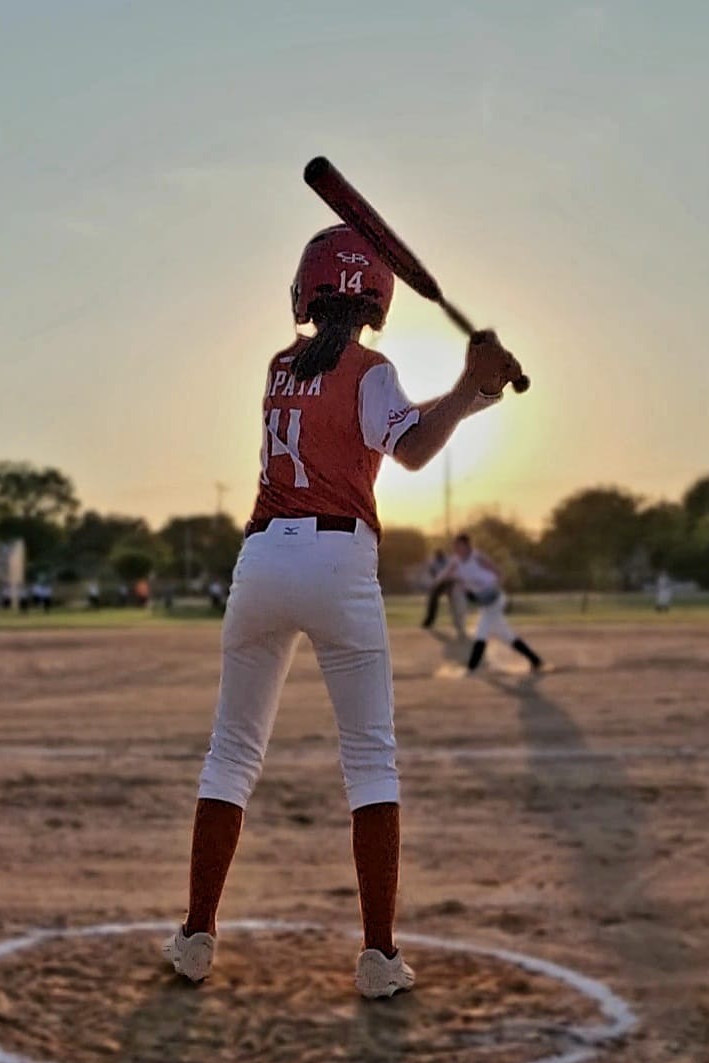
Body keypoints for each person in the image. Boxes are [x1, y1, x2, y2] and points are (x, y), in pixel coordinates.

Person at [162, 223, 523, 997]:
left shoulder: (279, 366)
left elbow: (383, 416)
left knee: (231, 755)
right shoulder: (372, 368)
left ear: (308, 291)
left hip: (260, 561)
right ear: (376, 300)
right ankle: (379, 958)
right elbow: (415, 447)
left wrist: (478, 392)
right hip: (338, 561)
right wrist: (474, 387)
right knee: (370, 760)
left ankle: (195, 937)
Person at [437, 533, 542, 674]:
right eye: (455, 546)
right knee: (507, 635)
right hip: (484, 601)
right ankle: (535, 660)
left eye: (459, 545)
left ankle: (472, 667)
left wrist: (496, 584)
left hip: (495, 599)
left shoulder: (477, 557)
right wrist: (438, 582)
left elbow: (498, 572)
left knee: (481, 632)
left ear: (467, 545)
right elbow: (446, 574)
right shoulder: (456, 561)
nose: (456, 548)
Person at [421, 547, 467, 638]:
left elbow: (452, 572)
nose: (438, 557)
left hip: (451, 582)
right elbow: (433, 573)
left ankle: (459, 625)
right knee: (433, 597)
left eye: (439, 555)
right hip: (440, 583)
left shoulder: (448, 560)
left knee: (455, 603)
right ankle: (429, 621)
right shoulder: (433, 562)